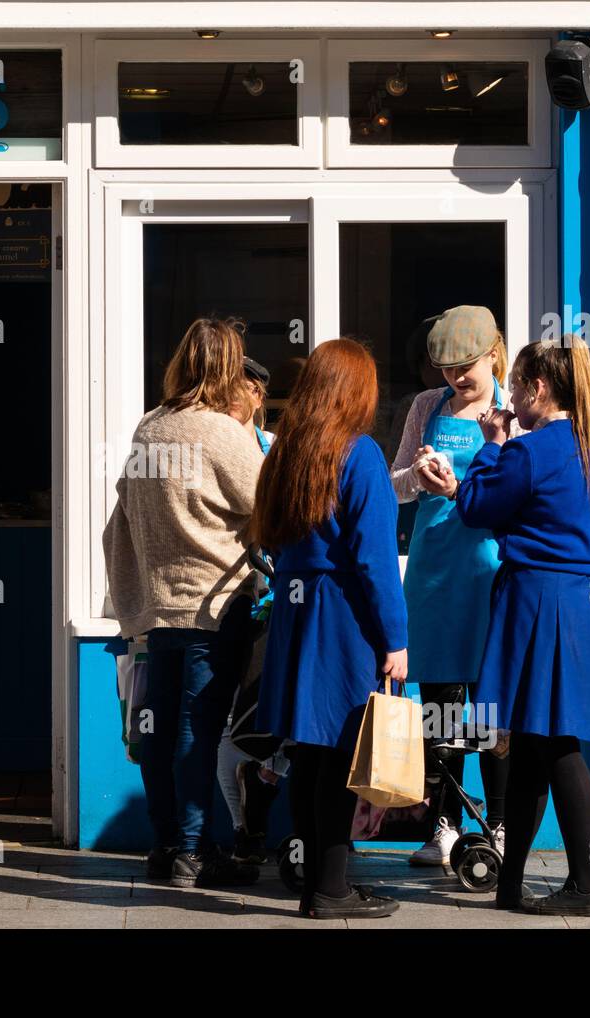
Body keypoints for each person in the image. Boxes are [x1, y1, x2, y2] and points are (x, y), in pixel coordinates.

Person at [457, 337, 590, 917]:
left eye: (515, 386)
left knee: (555, 743)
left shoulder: (528, 453)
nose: (510, 396)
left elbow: (476, 508)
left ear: (537, 389)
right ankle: (514, 884)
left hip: (538, 600)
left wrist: (490, 446)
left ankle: (586, 886)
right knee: (538, 742)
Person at [102, 317, 265, 888]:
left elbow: (123, 512)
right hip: (213, 607)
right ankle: (194, 853)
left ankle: (165, 844)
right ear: (229, 367)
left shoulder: (150, 427)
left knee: (159, 729)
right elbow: (267, 503)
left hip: (156, 608)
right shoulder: (222, 431)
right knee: (198, 732)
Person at [252, 338, 408, 919]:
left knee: (311, 754)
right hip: (342, 614)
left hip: (296, 612)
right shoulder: (360, 454)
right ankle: (331, 889)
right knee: (341, 757)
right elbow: (374, 559)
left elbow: (265, 535)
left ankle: (317, 882)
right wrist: (396, 637)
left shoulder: (286, 451)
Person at [389, 306, 514, 867]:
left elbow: (520, 493)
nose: (455, 378)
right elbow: (392, 487)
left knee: (490, 708)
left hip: (488, 570)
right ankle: (442, 824)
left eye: (466, 366)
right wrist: (415, 477)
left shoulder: (515, 411)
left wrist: (462, 484)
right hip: (434, 573)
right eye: (445, 369)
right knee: (439, 705)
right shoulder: (424, 407)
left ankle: (499, 825)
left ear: (494, 353)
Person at [216, 355, 288, 863]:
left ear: (259, 396)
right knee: (227, 734)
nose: (226, 400)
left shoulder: (275, 452)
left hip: (273, 612)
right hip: (221, 609)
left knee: (280, 727)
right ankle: (246, 832)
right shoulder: (200, 445)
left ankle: (263, 789)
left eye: (237, 390)